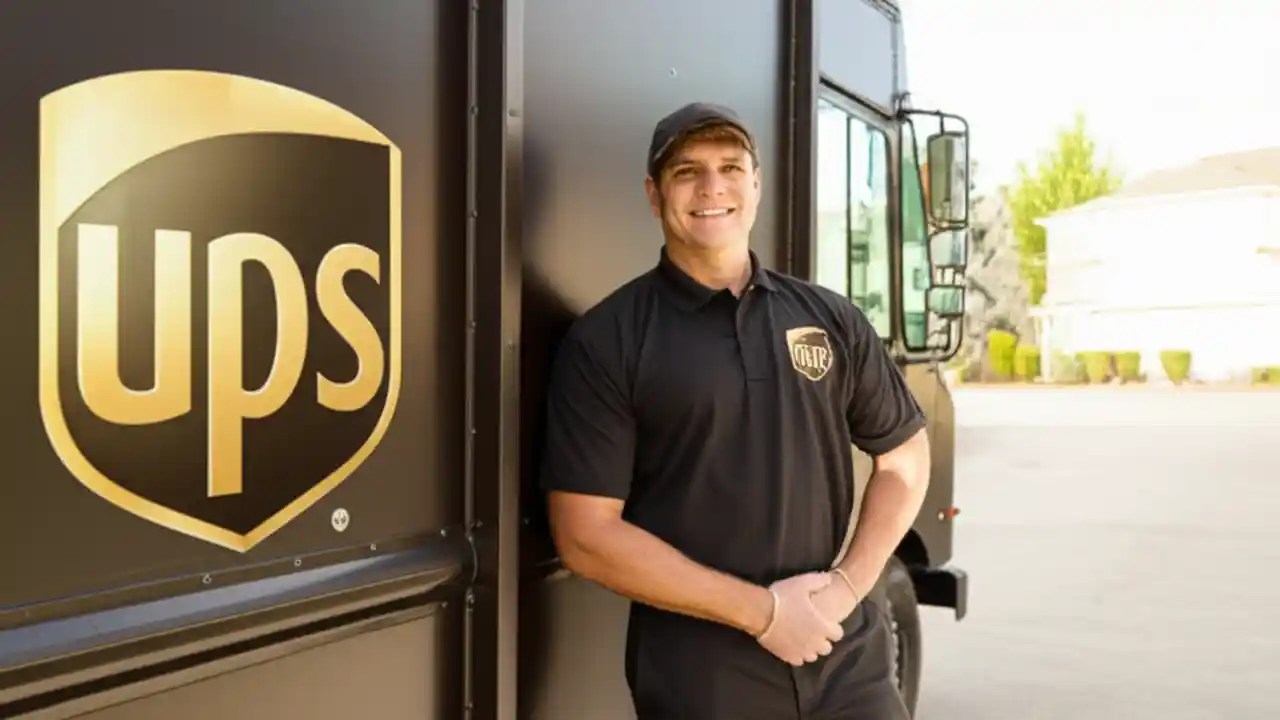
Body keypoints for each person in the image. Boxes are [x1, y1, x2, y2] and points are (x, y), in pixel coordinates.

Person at [538, 101, 932, 719]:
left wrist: (846, 587)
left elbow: (905, 458)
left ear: (756, 184)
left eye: (730, 168)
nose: (712, 187)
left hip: (846, 655)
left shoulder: (830, 318)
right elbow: (586, 535)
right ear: (653, 194)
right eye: (687, 171)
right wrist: (766, 613)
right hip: (703, 673)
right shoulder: (608, 340)